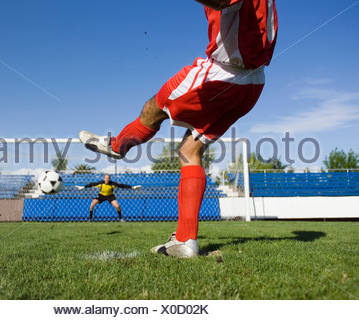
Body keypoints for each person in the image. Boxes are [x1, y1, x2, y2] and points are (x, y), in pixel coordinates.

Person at [79, 0, 278, 257]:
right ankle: (186, 240)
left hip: (222, 74)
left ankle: (118, 146)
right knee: (189, 150)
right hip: (253, 84)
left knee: (154, 108)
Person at [75, 174, 141, 222]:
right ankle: (90, 219)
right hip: (101, 196)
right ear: (104, 178)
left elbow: (121, 185)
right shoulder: (100, 183)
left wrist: (132, 187)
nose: (107, 179)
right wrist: (83, 187)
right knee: (93, 203)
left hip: (110, 196)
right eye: (106, 178)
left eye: (108, 178)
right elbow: (92, 184)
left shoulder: (112, 184)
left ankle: (120, 219)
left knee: (117, 206)